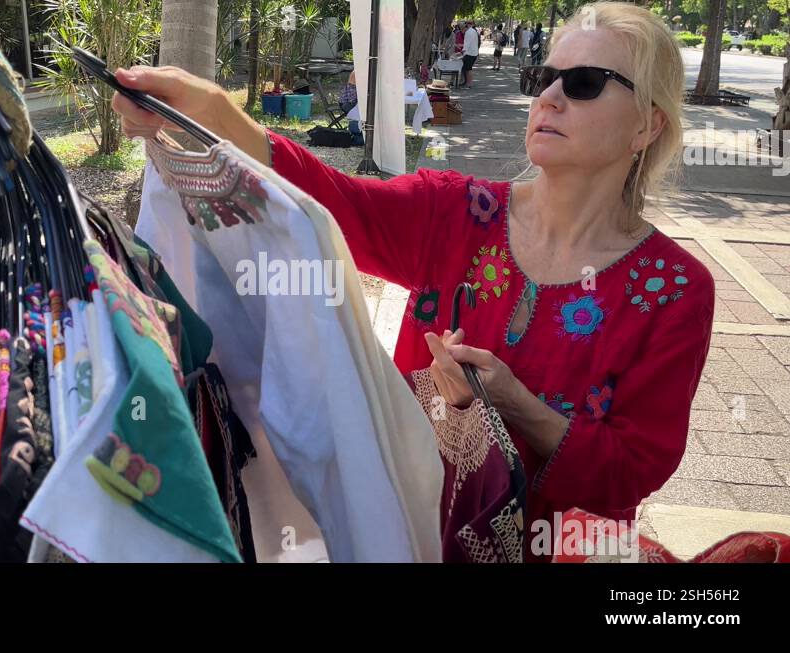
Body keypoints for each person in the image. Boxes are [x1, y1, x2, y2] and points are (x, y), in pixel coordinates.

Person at [110, 1, 710, 562]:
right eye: (543, 76)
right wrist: (213, 112)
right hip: (411, 538)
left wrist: (515, 405)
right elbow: (331, 200)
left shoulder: (676, 289)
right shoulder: (454, 212)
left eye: (584, 84)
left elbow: (631, 471)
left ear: (647, 127)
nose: (550, 97)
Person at [460, 20, 479, 88]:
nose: (462, 32)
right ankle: (468, 83)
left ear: (465, 27)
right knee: (468, 69)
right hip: (473, 52)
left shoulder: (468, 33)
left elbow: (467, 45)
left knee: (468, 69)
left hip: (470, 53)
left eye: (462, 30)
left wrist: (461, 52)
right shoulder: (473, 31)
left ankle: (469, 83)